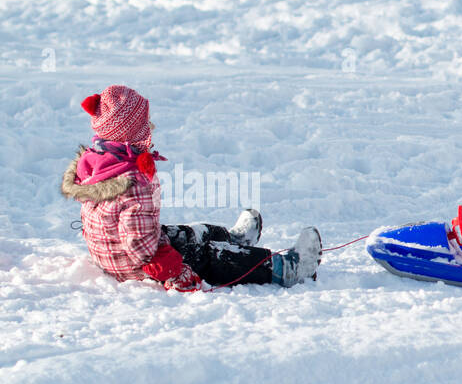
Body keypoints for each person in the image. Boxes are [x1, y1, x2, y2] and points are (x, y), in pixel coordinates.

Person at [60, 84, 322, 290]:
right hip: (138, 265)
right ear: (129, 134)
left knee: (187, 234)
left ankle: (233, 240)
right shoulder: (131, 182)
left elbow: (133, 231)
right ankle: (285, 268)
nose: (151, 127)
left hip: (113, 254)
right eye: (144, 124)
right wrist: (174, 271)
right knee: (211, 257)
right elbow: (141, 246)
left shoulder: (98, 161)